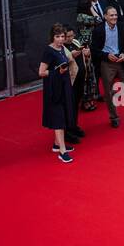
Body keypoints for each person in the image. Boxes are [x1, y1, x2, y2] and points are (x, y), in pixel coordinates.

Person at [39, 24, 77, 163]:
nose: (60, 39)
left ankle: (57, 144)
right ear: (52, 37)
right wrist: (56, 72)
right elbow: (41, 72)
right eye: (58, 36)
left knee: (64, 114)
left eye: (62, 36)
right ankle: (62, 151)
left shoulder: (62, 48)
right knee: (58, 118)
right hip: (54, 89)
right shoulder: (48, 51)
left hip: (63, 86)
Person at [75, 0, 106, 106]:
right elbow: (99, 20)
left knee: (95, 71)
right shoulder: (82, 17)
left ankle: (93, 96)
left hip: (95, 44)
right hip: (86, 46)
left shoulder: (98, 5)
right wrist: (92, 9)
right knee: (88, 74)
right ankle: (86, 100)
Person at [61, 26, 89, 141]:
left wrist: (86, 53)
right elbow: (64, 61)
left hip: (80, 79)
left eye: (72, 36)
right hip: (69, 82)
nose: (71, 38)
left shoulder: (76, 42)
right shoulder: (60, 47)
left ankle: (73, 126)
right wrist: (73, 55)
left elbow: (84, 58)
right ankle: (67, 131)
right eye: (68, 36)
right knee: (69, 106)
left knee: (76, 104)